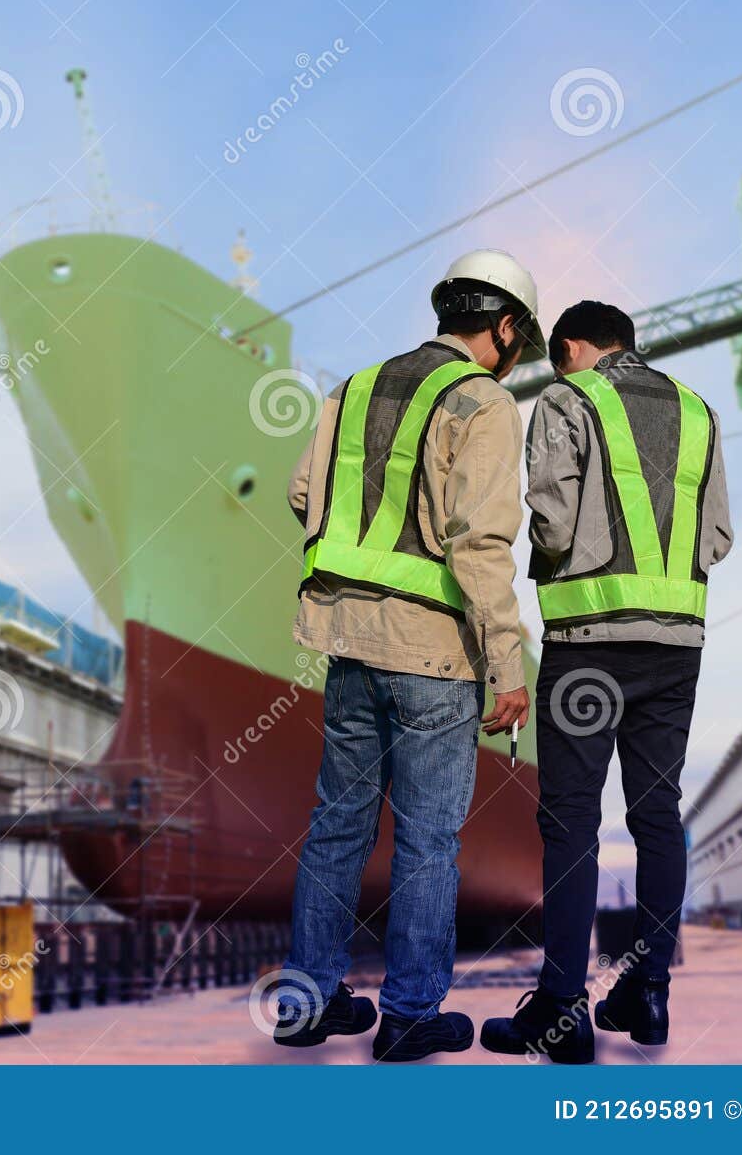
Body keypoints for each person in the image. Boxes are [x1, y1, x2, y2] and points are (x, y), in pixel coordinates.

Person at [275, 250, 538, 1062]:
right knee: (428, 837)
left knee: (337, 823)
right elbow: (481, 540)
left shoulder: (350, 389)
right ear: (503, 328)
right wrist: (508, 660)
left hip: (348, 646)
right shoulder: (484, 400)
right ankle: (411, 1013)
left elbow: (299, 493)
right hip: (435, 650)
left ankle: (308, 1000)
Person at [480, 300, 733, 1064]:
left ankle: (562, 1009)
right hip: (677, 645)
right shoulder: (699, 410)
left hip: (589, 642)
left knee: (571, 822)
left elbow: (552, 523)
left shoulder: (565, 397)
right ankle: (648, 991)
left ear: (570, 349)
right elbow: (717, 536)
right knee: (658, 814)